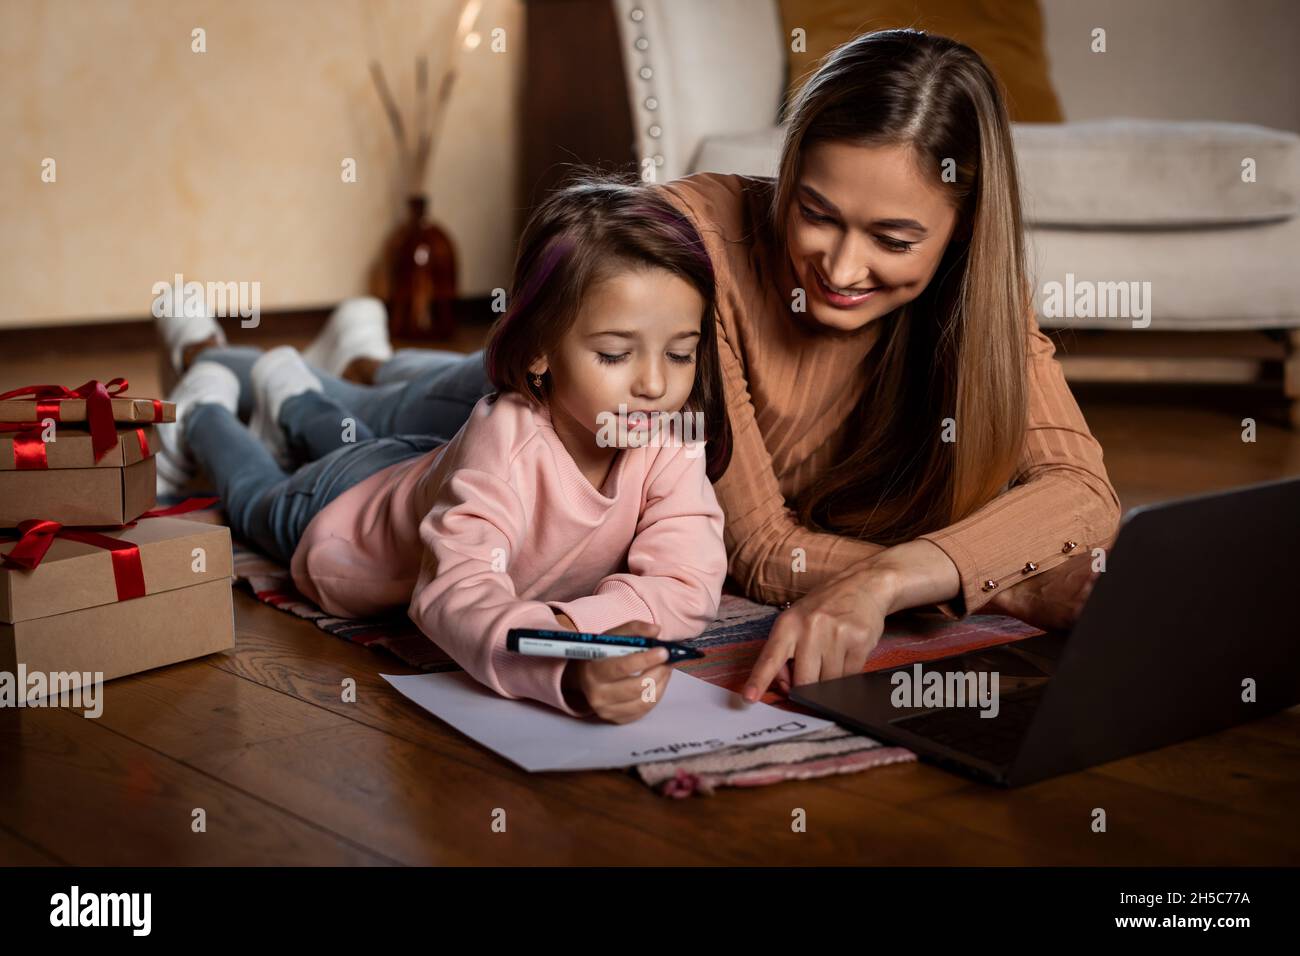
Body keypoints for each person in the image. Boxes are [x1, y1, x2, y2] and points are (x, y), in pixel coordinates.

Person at [156, 176, 732, 723]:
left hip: (423, 465)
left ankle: (294, 395)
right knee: (257, 500)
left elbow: (690, 580)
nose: (655, 386)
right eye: (614, 354)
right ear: (539, 352)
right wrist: (568, 655)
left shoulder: (664, 434)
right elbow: (455, 593)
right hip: (344, 509)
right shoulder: (504, 437)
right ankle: (202, 411)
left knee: (376, 447)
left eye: (680, 353)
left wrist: (581, 623)